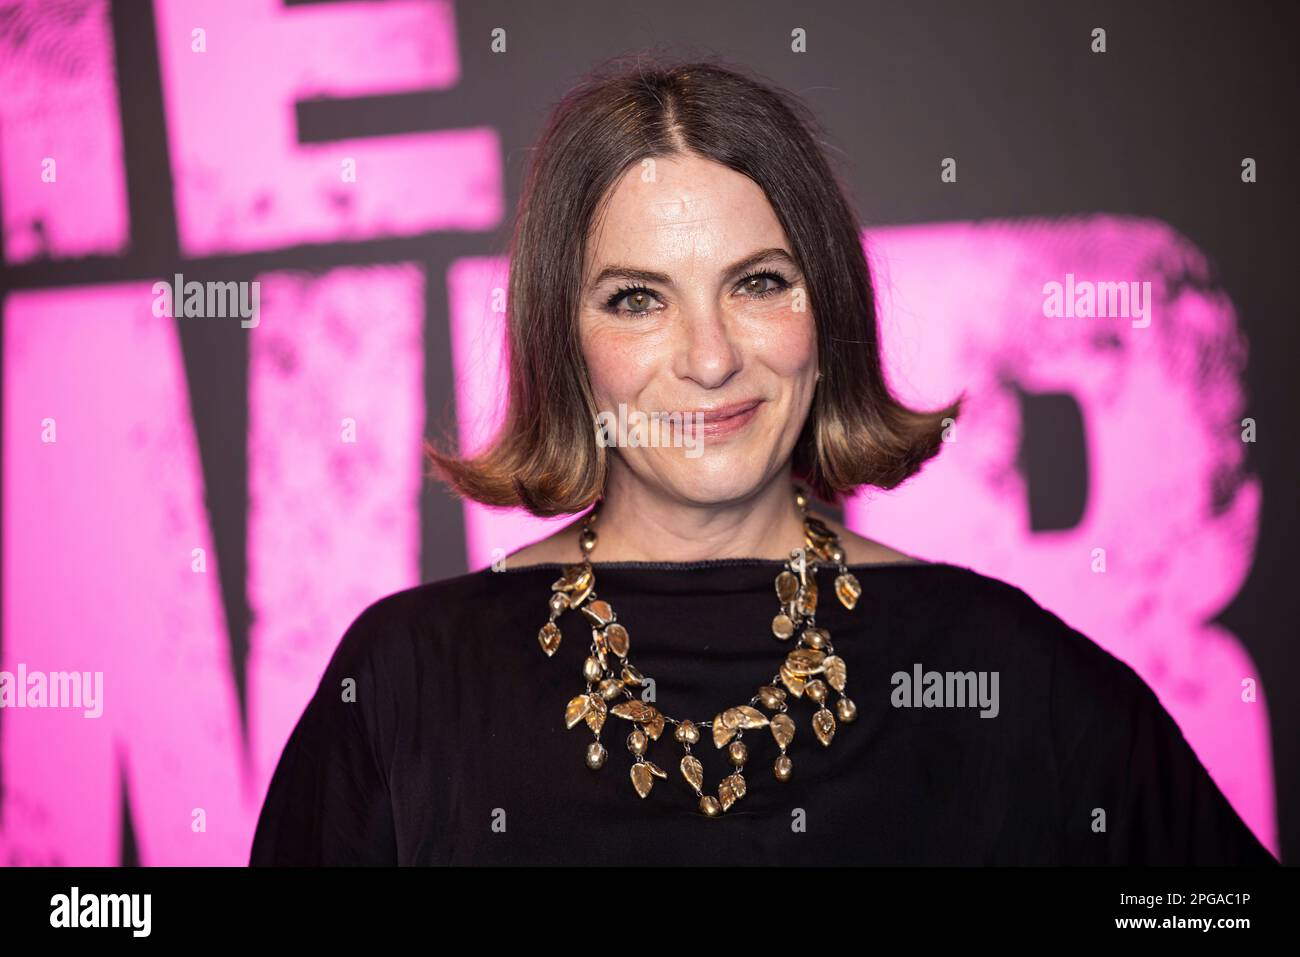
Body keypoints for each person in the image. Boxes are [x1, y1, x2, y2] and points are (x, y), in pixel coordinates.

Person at [249, 56, 1277, 865]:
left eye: (757, 283)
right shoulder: (403, 685)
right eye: (637, 299)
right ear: (562, 341)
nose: (709, 357)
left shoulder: (1002, 670)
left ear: (824, 310)